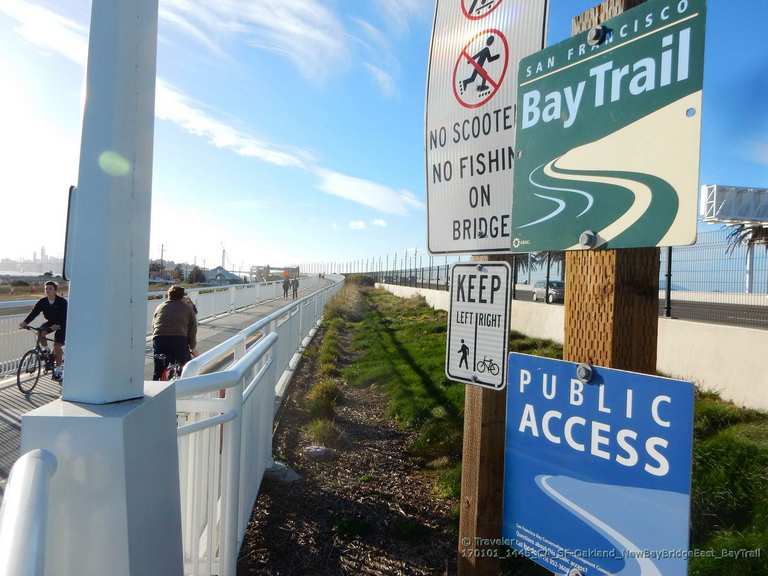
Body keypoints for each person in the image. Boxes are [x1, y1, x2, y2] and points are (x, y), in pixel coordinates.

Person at [19, 281, 67, 381]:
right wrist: (25, 322)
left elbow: (63, 317)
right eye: (46, 289)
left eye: (50, 288)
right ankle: (46, 351)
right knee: (40, 332)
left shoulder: (62, 302)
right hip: (51, 322)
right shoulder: (43, 301)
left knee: (57, 347)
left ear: (55, 290)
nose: (47, 290)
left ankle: (58, 371)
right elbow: (34, 313)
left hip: (62, 324)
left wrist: (57, 326)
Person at [151, 285, 197, 380]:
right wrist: (192, 347)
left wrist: (155, 341)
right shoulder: (188, 308)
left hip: (159, 339)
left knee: (159, 368)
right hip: (179, 340)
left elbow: (154, 325)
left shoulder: (160, 307)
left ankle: (156, 382)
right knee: (186, 366)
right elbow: (193, 329)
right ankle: (185, 385)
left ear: (169, 295)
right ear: (182, 296)